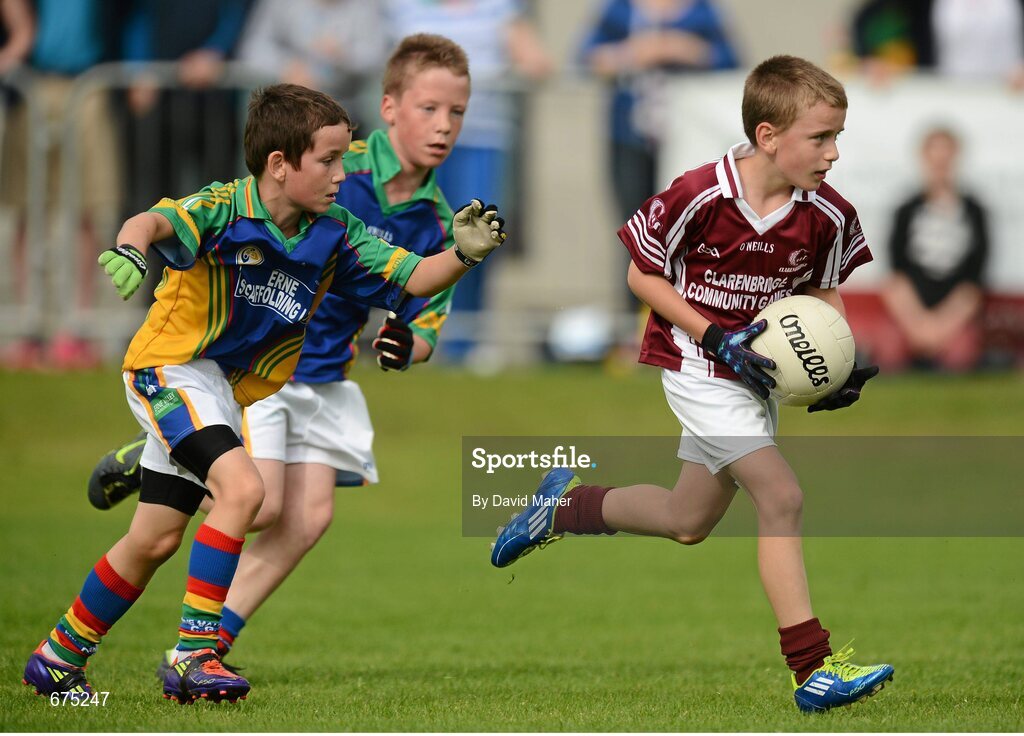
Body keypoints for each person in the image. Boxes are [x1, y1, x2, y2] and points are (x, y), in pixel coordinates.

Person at [22, 82, 505, 704]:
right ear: (280, 165)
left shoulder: (336, 231)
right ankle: (195, 656)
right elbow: (155, 218)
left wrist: (462, 255)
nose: (340, 173)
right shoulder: (226, 207)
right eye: (328, 160)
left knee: (156, 539)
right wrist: (131, 247)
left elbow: (411, 275)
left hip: (219, 391)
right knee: (247, 492)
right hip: (168, 369)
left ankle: (57, 660)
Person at [491, 55, 893, 714]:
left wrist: (837, 371)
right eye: (820, 138)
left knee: (687, 521)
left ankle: (559, 510)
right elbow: (641, 278)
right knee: (782, 497)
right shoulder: (701, 193)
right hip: (698, 367)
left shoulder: (827, 213)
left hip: (757, 381)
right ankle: (812, 669)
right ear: (768, 136)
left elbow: (822, 294)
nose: (833, 153)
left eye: (836, 137)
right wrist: (710, 336)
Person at [386, 0, 553, 363]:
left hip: (483, 139)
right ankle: (410, 335)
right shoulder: (402, 7)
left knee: (475, 237)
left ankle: (464, 341)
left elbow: (537, 63)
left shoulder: (499, 7)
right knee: (417, 235)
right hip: (416, 142)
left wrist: (526, 58)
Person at [870, 127, 988, 372]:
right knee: (888, 350)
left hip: (954, 315)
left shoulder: (975, 211)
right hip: (910, 312)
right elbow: (895, 278)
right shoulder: (906, 209)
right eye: (935, 160)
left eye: (946, 160)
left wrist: (942, 327)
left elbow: (973, 285)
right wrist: (918, 325)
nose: (940, 166)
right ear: (923, 159)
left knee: (961, 354)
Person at [236, 0, 390, 132]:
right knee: (256, 93)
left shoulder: (366, 5)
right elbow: (252, 49)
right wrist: (287, 66)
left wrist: (344, 56)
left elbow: (376, 56)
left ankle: (385, 162)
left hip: (346, 100)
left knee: (383, 92)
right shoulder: (279, 3)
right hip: (287, 98)